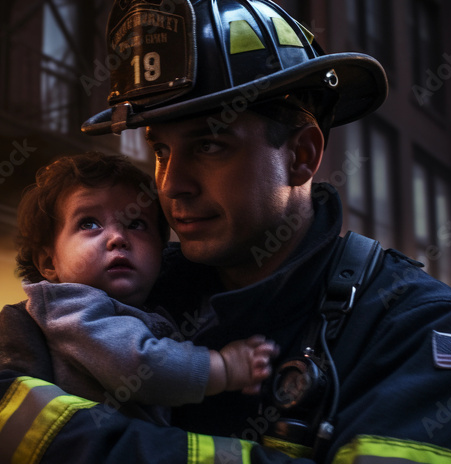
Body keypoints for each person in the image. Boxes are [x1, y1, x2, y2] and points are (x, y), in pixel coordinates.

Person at [0, 0, 451, 463]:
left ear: (301, 155)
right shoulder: (136, 291)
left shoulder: (414, 329)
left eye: (210, 145)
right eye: (159, 151)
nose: (170, 186)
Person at [15, 151, 279, 425]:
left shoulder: (157, 302)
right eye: (89, 223)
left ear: (161, 251)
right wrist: (224, 368)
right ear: (49, 262)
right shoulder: (71, 309)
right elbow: (139, 365)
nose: (118, 238)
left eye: (136, 224)